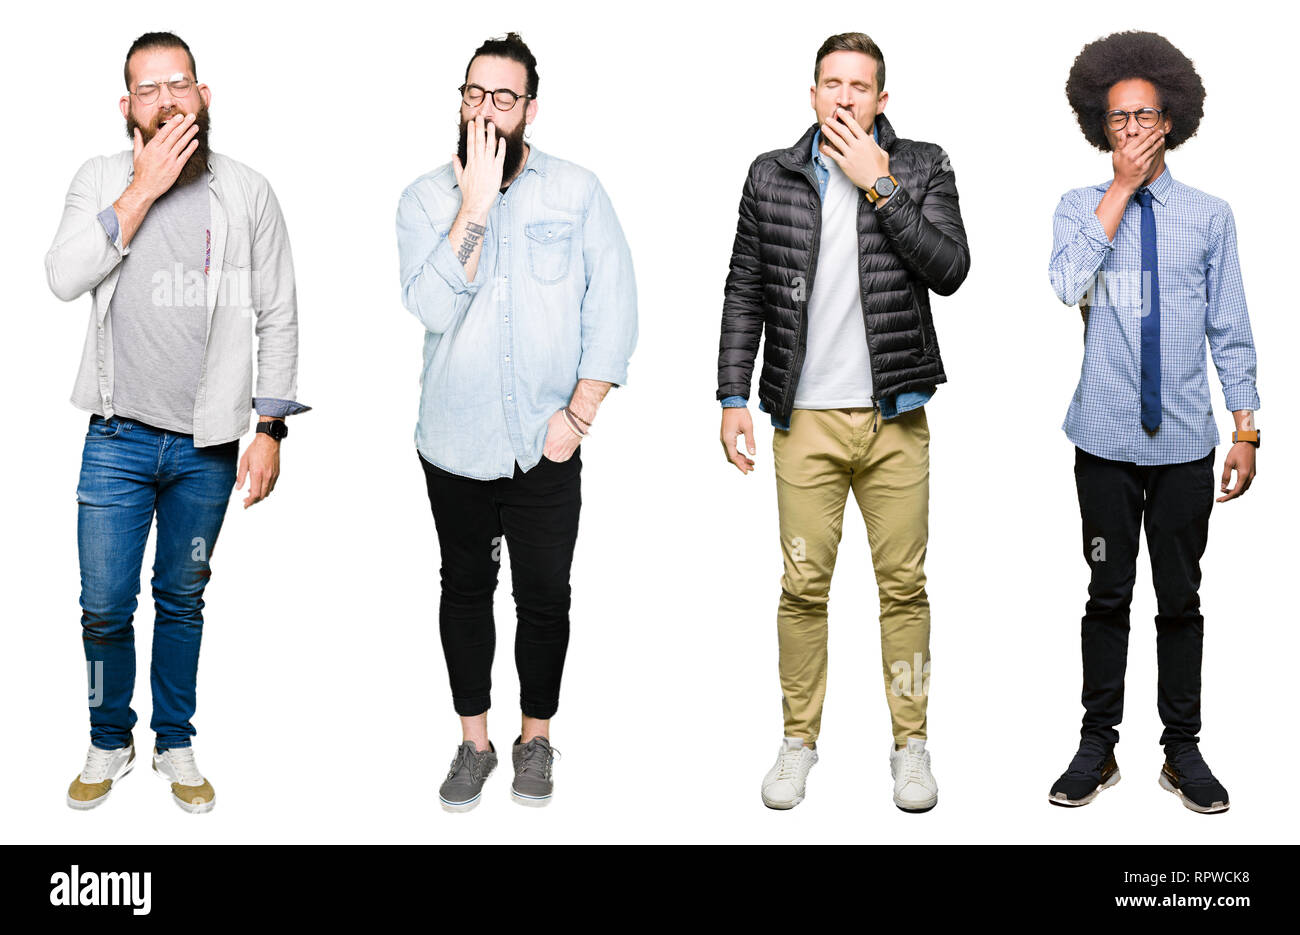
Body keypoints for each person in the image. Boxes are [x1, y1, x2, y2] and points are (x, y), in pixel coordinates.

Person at [47, 31, 309, 813]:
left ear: (203, 96)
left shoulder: (249, 191)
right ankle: (107, 736)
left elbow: (280, 312)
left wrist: (271, 428)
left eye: (181, 84)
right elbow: (61, 276)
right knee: (103, 603)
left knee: (183, 596)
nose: (168, 100)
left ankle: (175, 738)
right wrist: (140, 188)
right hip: (115, 440)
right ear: (127, 106)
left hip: (210, 448)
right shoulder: (99, 178)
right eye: (150, 88)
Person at [716, 32, 969, 811]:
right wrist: (732, 397)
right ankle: (798, 742)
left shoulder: (922, 164)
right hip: (805, 421)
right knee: (802, 588)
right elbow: (744, 288)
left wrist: (880, 185)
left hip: (895, 416)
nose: (846, 97)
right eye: (833, 83)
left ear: (882, 99)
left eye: (862, 86)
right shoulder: (772, 174)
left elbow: (951, 270)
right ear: (814, 94)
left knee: (904, 587)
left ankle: (912, 745)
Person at [396, 32, 637, 811]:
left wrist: (580, 411)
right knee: (464, 590)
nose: (489, 111)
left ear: (530, 107)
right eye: (476, 94)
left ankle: (536, 738)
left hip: (546, 444)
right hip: (454, 444)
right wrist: (475, 203)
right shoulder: (424, 199)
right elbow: (430, 307)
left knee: (545, 597)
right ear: (461, 102)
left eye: (505, 97)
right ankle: (475, 743)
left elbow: (616, 307)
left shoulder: (577, 191)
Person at [1047, 31, 1258, 814]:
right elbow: (1067, 282)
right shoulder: (1078, 208)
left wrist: (1247, 427)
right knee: (1107, 594)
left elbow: (1229, 327)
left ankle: (1182, 748)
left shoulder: (1209, 217)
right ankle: (1097, 744)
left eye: (1143, 115)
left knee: (1180, 598)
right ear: (1100, 127)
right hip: (1101, 441)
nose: (1130, 129)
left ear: (1169, 119)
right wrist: (1118, 195)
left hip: (1183, 447)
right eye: (1116, 118)